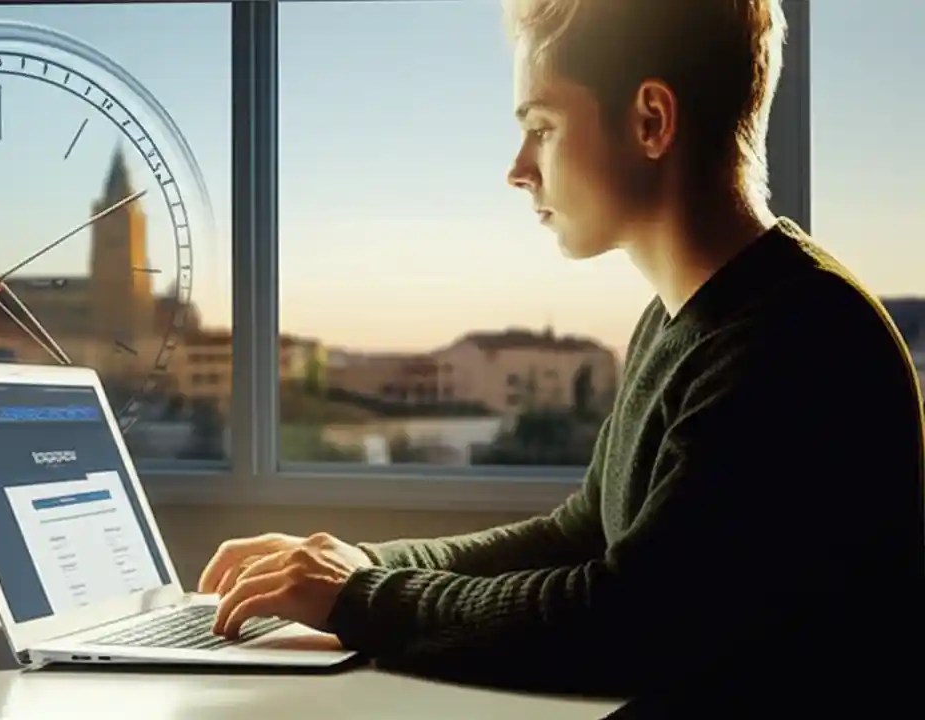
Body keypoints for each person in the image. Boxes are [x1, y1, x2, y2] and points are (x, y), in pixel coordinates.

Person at [198, 0, 925, 713]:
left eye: (541, 127)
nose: (518, 169)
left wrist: (360, 598)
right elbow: (580, 534)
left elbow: (626, 619)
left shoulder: (794, 341)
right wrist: (358, 566)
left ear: (651, 120)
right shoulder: (684, 321)